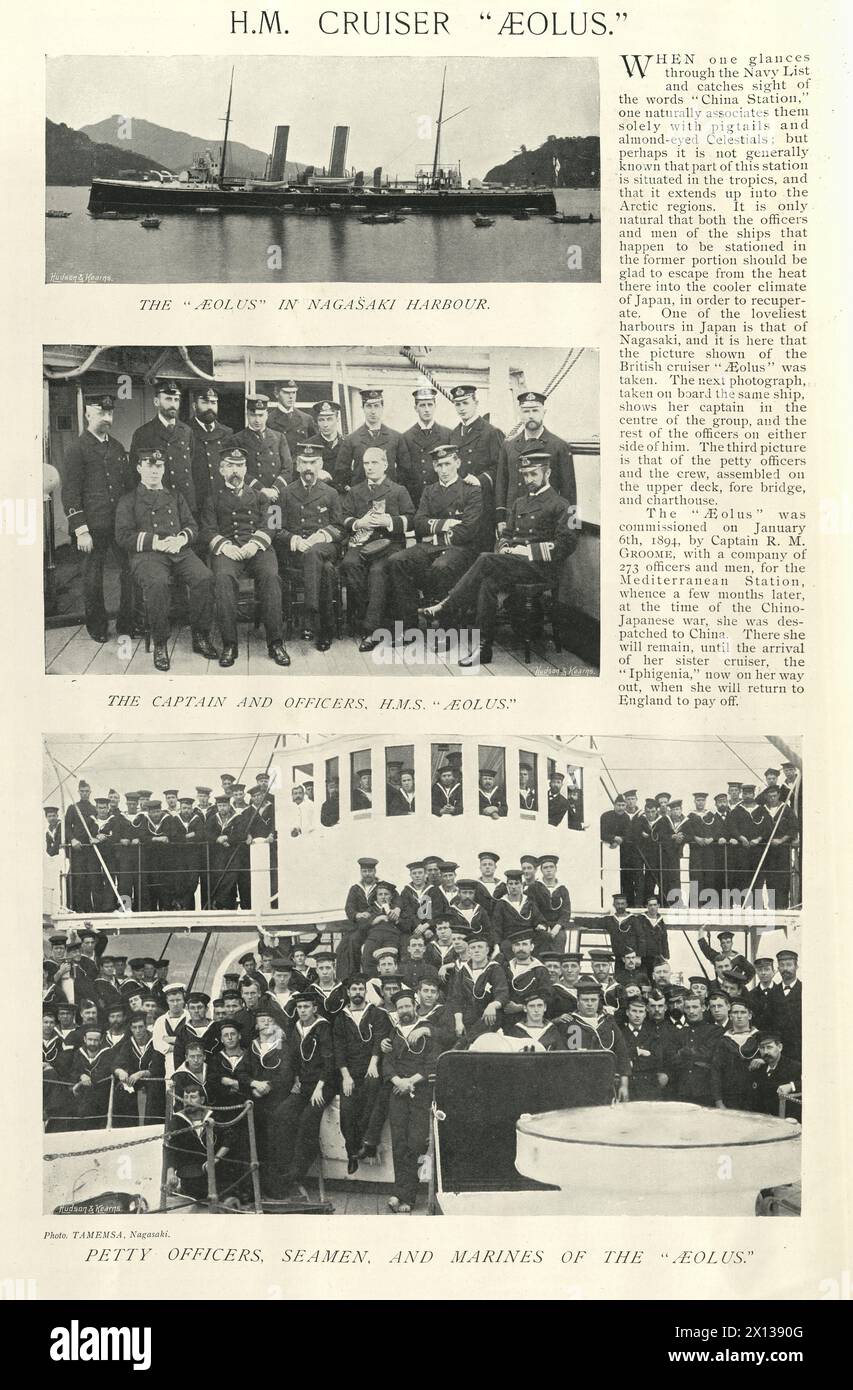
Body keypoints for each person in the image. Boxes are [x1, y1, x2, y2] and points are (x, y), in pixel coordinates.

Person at [422, 450, 574, 667]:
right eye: (525, 475)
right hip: (513, 564)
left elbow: (567, 544)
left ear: (547, 473)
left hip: (539, 567)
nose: (528, 480)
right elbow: (506, 535)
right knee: (487, 582)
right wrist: (505, 548)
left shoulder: (563, 504)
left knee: (485, 559)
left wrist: (526, 551)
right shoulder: (519, 503)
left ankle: (447, 604)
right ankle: (484, 649)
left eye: (534, 475)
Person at [114, 448, 217, 672]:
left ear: (164, 469)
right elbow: (122, 535)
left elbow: (192, 526)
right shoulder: (129, 500)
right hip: (148, 555)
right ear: (139, 468)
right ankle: (160, 642)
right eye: (149, 466)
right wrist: (155, 542)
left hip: (178, 550)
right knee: (157, 584)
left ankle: (200, 635)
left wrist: (181, 539)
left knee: (204, 577)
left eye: (158, 466)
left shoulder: (175, 496)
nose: (154, 471)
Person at [199, 445, 290, 668]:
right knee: (223, 579)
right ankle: (230, 644)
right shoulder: (212, 499)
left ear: (245, 469)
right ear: (221, 470)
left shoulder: (261, 496)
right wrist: (225, 546)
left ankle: (276, 643)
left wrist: (256, 543)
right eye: (230, 466)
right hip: (229, 550)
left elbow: (274, 525)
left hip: (257, 548)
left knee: (270, 577)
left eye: (239, 466)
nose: (235, 471)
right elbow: (207, 530)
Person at [61, 390, 135, 643]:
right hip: (91, 527)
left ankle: (127, 623)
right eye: (101, 412)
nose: (106, 417)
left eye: (110, 412)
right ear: (87, 413)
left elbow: (126, 487)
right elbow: (69, 492)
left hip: (118, 525)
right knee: (93, 578)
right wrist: (80, 529)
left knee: (130, 570)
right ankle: (97, 626)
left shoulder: (116, 447)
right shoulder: (76, 448)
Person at [387, 443, 483, 632]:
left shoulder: (471, 490)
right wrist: (447, 524)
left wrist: (434, 535)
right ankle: (409, 626)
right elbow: (419, 523)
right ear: (434, 467)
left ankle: (448, 629)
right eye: (439, 465)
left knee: (441, 567)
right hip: (431, 547)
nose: (443, 470)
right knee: (396, 560)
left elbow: (467, 531)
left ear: (458, 462)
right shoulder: (429, 491)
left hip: (460, 548)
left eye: (447, 464)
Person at [339, 446, 415, 651]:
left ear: (385, 465)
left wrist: (389, 520)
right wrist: (359, 523)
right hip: (362, 543)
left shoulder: (398, 490)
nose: (369, 467)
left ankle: (371, 630)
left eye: (374, 463)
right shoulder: (355, 491)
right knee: (349, 564)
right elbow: (344, 518)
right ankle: (373, 614)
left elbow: (411, 519)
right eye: (366, 463)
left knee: (377, 572)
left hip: (389, 544)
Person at [275, 442, 344, 650]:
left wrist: (319, 536)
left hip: (325, 548)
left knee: (315, 554)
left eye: (313, 462)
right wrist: (294, 540)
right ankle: (325, 630)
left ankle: (309, 614)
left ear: (320, 465)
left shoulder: (331, 493)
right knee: (325, 570)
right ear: (297, 466)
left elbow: (340, 528)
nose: (308, 467)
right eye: (304, 462)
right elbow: (274, 528)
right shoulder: (284, 494)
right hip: (296, 552)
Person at [270, 992, 336, 1199]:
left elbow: (329, 1060)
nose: (303, 1011)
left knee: (308, 1120)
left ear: (314, 1008)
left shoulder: (323, 1027)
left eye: (306, 1007)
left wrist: (319, 1087)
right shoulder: (295, 1029)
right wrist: (297, 1078)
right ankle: (284, 1168)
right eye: (299, 1007)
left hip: (324, 1084)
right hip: (304, 1084)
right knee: (281, 1115)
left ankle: (296, 1174)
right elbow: (293, 1058)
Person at [382, 988, 437, 1213]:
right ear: (396, 1011)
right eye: (400, 1007)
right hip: (398, 1093)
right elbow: (387, 1064)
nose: (404, 1010)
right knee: (399, 1144)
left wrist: (409, 1082)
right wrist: (398, 1082)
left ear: (415, 1006)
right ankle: (399, 1193)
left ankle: (408, 1196)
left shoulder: (427, 1030)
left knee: (415, 1143)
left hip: (420, 1093)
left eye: (408, 1006)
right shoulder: (393, 1034)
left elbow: (431, 1064)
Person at [495, 389, 576, 529]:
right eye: (526, 411)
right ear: (520, 414)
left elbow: (569, 491)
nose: (531, 415)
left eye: (535, 410)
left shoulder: (559, 446)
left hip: (545, 521)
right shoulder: (508, 446)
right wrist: (500, 519)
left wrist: (573, 527)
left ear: (544, 412)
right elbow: (502, 484)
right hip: (514, 519)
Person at [333, 974, 390, 1173]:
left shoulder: (377, 1013)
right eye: (354, 989)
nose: (357, 992)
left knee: (370, 1103)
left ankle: (367, 1145)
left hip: (371, 1069)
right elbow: (338, 1049)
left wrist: (373, 1064)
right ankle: (352, 1154)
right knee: (347, 1110)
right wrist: (345, 1076)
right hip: (350, 1073)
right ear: (348, 993)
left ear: (365, 991)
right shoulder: (340, 1018)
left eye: (360, 989)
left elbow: (380, 1039)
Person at [447, 383, 504, 547]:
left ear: (476, 403)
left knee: (480, 549)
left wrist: (481, 480)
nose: (462, 408)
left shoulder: (491, 432)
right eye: (458, 404)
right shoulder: (454, 434)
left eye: (466, 403)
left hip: (483, 503)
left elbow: (500, 470)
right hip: (459, 504)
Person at [130, 378, 197, 512]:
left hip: (185, 502)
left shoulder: (187, 431)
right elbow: (134, 472)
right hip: (156, 505)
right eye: (168, 399)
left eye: (176, 400)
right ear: (156, 402)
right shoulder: (143, 433)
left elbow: (192, 464)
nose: (173, 404)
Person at [334, 388, 416, 495]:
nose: (373, 411)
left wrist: (395, 489)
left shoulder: (396, 438)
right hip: (362, 498)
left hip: (389, 496)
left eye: (376, 406)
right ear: (362, 408)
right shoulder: (351, 439)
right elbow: (341, 473)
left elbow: (405, 471)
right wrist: (354, 491)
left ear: (382, 408)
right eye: (368, 406)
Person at [565, 979, 630, 1101]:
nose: (589, 1004)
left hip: (607, 1085)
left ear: (599, 1001)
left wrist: (624, 1085)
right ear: (578, 1002)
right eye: (585, 1000)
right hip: (579, 1086)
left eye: (593, 1000)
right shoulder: (570, 1024)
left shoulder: (608, 1022)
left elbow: (622, 1054)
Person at [231, 394, 293, 509]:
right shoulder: (237, 439)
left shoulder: (279, 437)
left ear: (267, 415)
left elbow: (288, 468)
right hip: (251, 496)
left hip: (276, 498)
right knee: (254, 526)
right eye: (253, 415)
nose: (257, 420)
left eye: (261, 415)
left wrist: (275, 489)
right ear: (247, 415)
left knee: (274, 525)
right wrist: (262, 489)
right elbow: (237, 471)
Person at [447, 935, 509, 1043]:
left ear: (487, 950)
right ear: (469, 952)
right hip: (468, 1016)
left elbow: (502, 993)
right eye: (473, 948)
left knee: (487, 1022)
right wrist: (458, 1020)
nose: (476, 950)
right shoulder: (463, 972)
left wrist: (492, 1005)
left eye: (480, 947)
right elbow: (456, 998)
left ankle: (462, 1046)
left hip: (488, 1015)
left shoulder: (494, 969)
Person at [400, 386, 452, 501]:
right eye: (422, 405)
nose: (427, 409)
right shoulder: (406, 437)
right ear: (415, 408)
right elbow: (403, 474)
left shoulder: (447, 434)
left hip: (442, 496)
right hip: (416, 497)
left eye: (430, 404)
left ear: (435, 406)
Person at [190, 386, 234, 505]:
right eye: (204, 402)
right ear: (194, 406)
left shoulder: (227, 433)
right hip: (196, 501)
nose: (210, 407)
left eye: (213, 402)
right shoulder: (185, 431)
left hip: (222, 501)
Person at [501, 988, 566, 1050]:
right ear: (525, 1008)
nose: (536, 1010)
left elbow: (562, 1058)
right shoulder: (515, 1032)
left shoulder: (553, 1031)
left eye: (540, 1006)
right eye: (532, 1006)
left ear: (545, 1007)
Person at [266, 378, 314, 458]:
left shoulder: (306, 419)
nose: (291, 397)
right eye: (286, 393)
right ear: (276, 394)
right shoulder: (268, 420)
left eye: (294, 392)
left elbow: (314, 445)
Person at [306, 399, 345, 477]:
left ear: (337, 419)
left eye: (329, 419)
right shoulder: (308, 445)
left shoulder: (347, 443)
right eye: (321, 420)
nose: (325, 424)